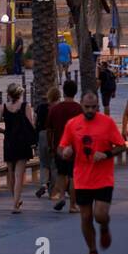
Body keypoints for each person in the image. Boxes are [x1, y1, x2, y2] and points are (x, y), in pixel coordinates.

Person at [56, 91, 126, 254]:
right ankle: (92, 251)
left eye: (94, 107)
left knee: (100, 215)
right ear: (81, 105)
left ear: (98, 106)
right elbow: (61, 147)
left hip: (103, 177)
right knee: (86, 217)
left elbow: (121, 146)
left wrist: (106, 154)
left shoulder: (107, 122)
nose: (90, 110)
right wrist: (65, 152)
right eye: (87, 107)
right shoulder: (72, 124)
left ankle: (104, 225)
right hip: (82, 178)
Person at [0, 81, 36, 212]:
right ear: (20, 94)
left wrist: (5, 131)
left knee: (10, 173)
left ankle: (15, 200)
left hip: (9, 142)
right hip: (22, 142)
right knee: (19, 175)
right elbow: (30, 125)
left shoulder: (3, 107)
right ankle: (15, 204)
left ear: (9, 94)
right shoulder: (25, 106)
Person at [48, 78, 84, 212]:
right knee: (73, 176)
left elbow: (49, 130)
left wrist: (51, 147)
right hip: (74, 149)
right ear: (75, 92)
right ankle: (73, 205)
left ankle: (62, 196)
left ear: (63, 92)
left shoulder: (55, 109)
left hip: (59, 147)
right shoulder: (79, 109)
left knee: (61, 173)